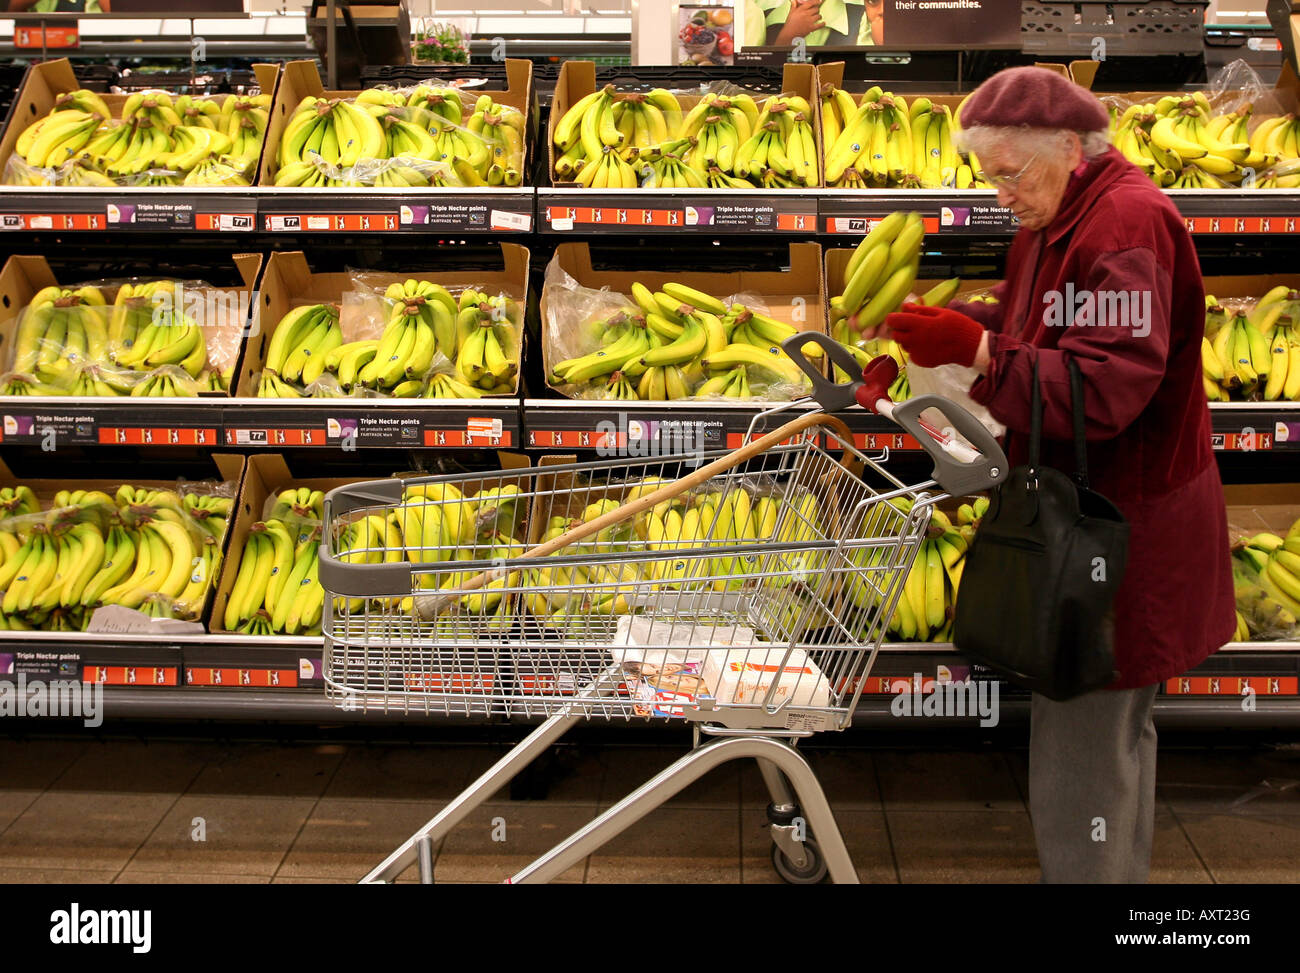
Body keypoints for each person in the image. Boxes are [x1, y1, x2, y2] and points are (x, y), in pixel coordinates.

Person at [871, 66, 1234, 883]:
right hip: (1095, 518)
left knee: (1083, 758)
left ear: (1070, 147)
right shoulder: (1061, 211)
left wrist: (978, 354)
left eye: (1010, 172)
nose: (999, 192)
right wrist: (965, 325)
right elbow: (1046, 324)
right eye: (987, 174)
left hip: (1117, 534)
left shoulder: (1126, 227)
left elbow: (1105, 389)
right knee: (1114, 742)